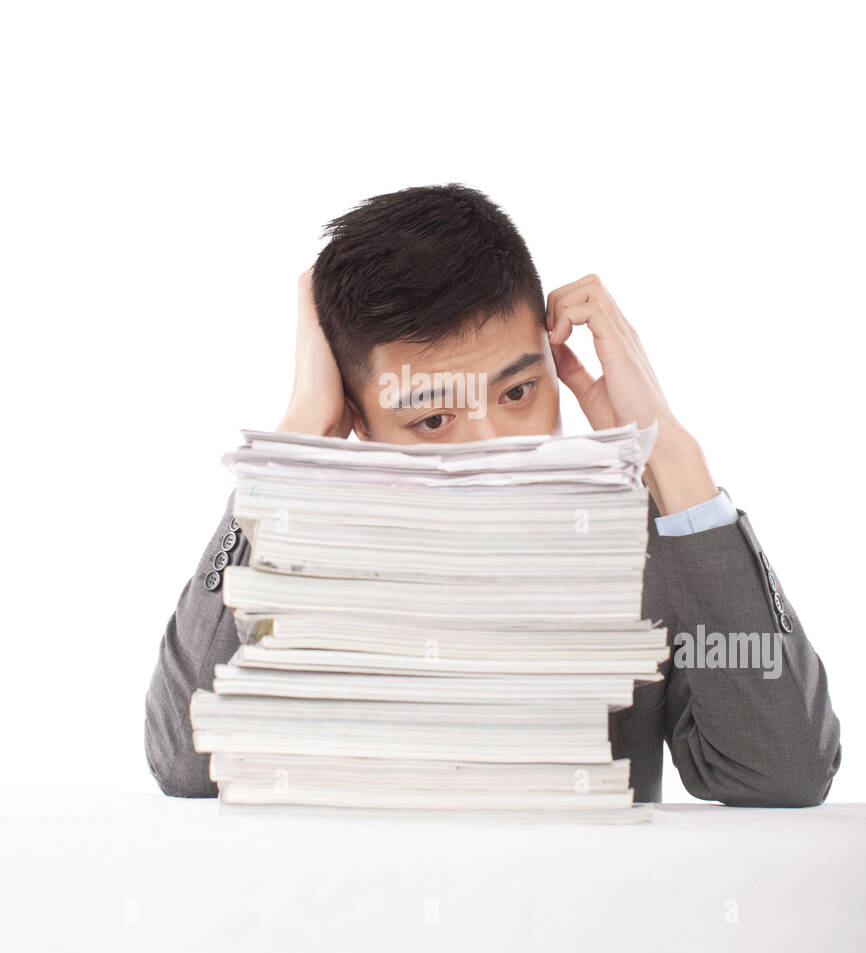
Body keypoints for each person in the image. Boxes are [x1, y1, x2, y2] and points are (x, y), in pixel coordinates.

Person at [145, 183, 842, 805]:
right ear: (357, 419)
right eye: (434, 419)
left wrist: (676, 462)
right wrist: (294, 444)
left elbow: (781, 770)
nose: (496, 447)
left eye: (519, 391)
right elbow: (186, 761)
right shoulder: (299, 549)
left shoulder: (639, 552)